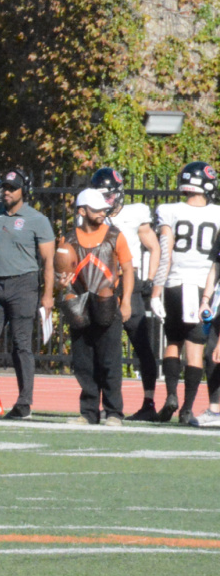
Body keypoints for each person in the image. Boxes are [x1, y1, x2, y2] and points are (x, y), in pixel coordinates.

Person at [0, 169, 55, 420]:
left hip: (24, 285)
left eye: (12, 188)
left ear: (23, 191)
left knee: (21, 345)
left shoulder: (37, 219)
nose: (6, 192)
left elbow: (48, 261)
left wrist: (47, 296)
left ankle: (24, 403)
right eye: (4, 187)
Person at [90, 168, 173, 422]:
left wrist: (149, 280)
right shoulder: (93, 214)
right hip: (103, 279)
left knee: (141, 343)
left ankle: (148, 401)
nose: (106, 201)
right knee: (105, 345)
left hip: (130, 278)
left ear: (119, 193)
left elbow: (154, 247)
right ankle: (107, 403)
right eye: (101, 196)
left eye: (109, 195)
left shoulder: (136, 213)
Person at [56, 189, 133, 425]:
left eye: (103, 209)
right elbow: (62, 274)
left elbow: (128, 269)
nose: (101, 213)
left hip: (107, 303)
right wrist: (62, 283)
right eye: (96, 209)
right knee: (83, 362)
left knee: (109, 361)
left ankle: (113, 412)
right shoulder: (68, 240)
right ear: (82, 211)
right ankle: (88, 412)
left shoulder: (115, 235)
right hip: (80, 304)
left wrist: (127, 301)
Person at [152, 161, 220, 425]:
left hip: (175, 283)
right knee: (196, 348)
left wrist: (156, 291)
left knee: (173, 342)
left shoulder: (169, 210)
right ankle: (187, 409)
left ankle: (171, 394)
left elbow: (165, 252)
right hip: (205, 285)